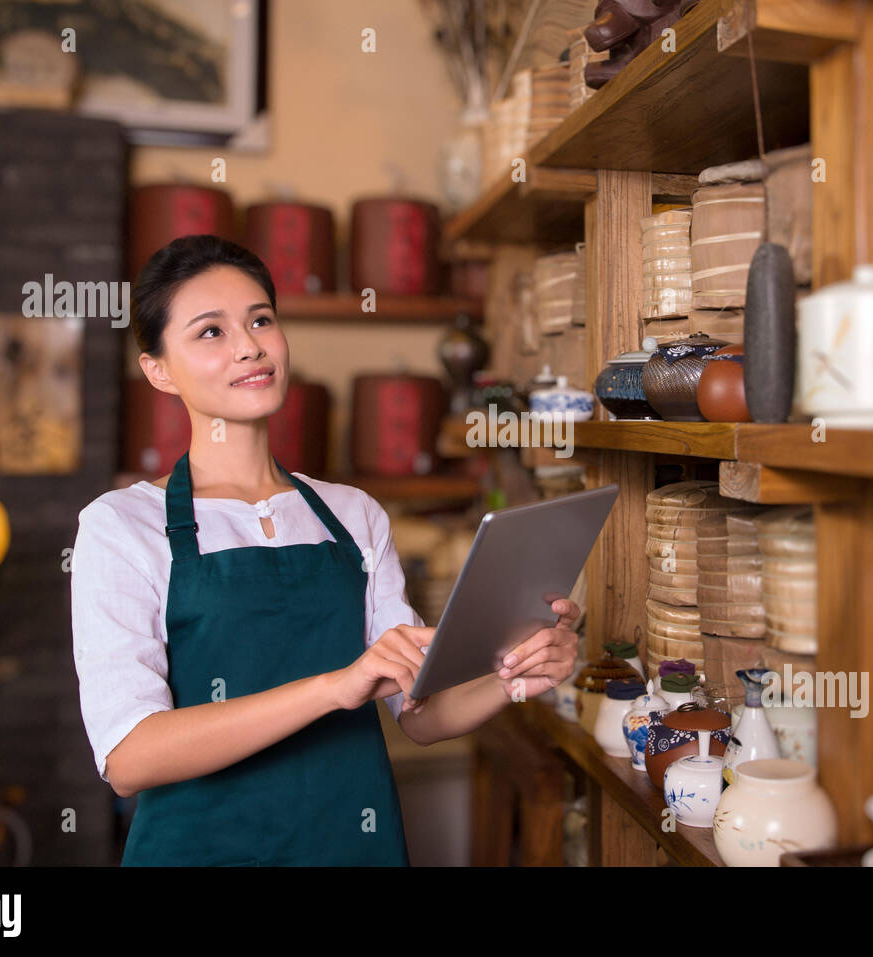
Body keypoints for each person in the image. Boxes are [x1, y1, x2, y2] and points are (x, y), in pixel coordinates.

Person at [70, 234, 580, 865]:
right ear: (159, 369)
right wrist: (335, 687)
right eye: (210, 332)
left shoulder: (352, 514)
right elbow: (130, 756)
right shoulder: (122, 526)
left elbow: (418, 713)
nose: (250, 345)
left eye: (261, 319)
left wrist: (519, 674)